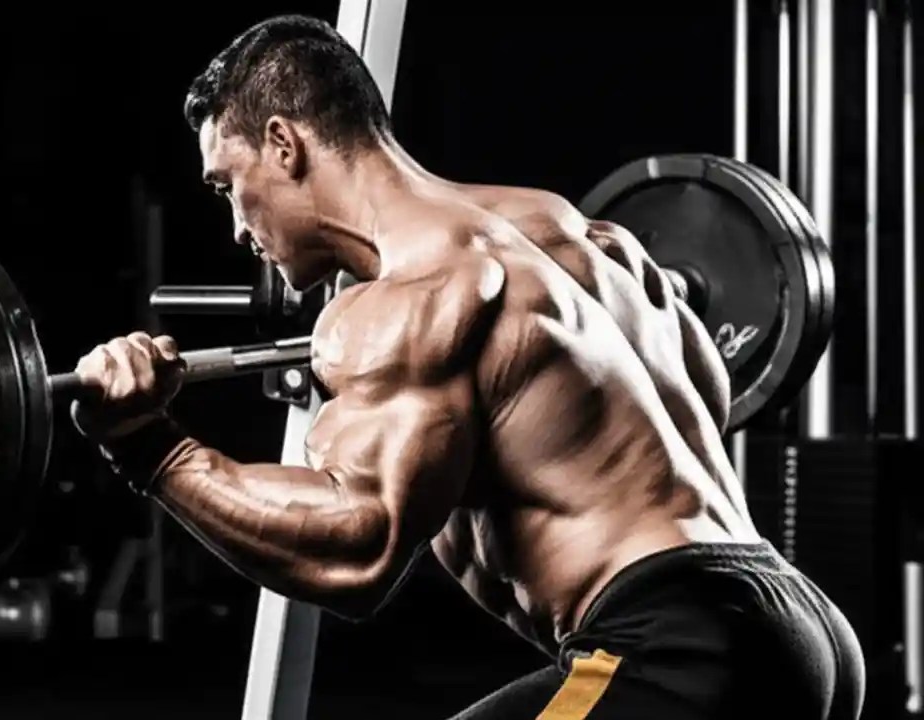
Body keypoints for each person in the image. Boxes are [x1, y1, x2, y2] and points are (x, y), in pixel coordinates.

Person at [70, 14, 865, 719]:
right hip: (798, 624)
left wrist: (150, 447)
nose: (237, 229)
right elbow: (704, 402)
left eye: (227, 186)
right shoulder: (577, 237)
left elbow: (357, 549)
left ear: (285, 143)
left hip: (672, 649)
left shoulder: (414, 299)